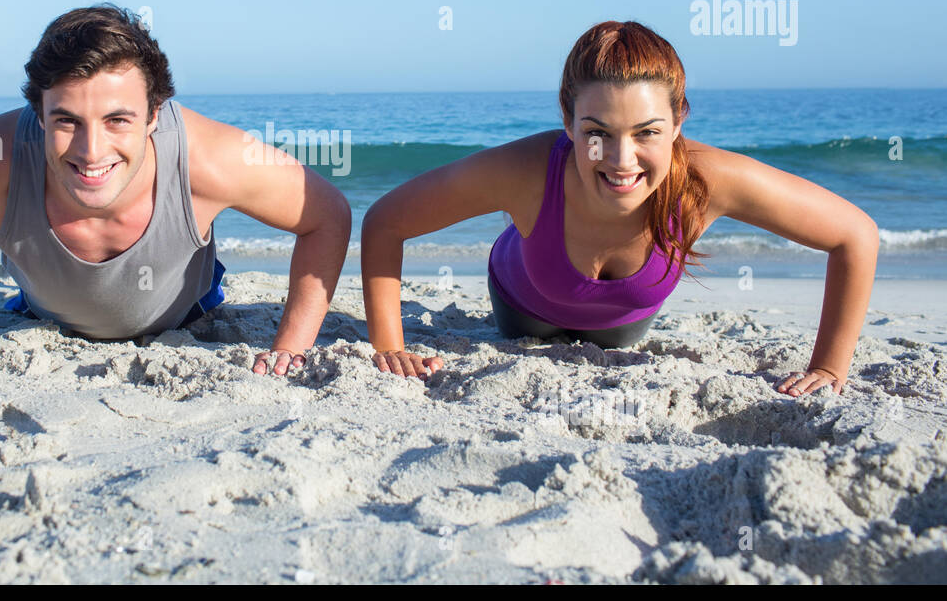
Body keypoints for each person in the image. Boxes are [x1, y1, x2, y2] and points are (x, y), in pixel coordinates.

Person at [360, 21, 879, 397]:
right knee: (531, 321)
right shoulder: (523, 168)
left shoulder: (708, 181)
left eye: (647, 132)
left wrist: (831, 368)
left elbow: (855, 235)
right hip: (523, 307)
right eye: (597, 133)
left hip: (623, 326)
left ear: (679, 121)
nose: (621, 159)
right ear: (568, 119)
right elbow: (387, 221)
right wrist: (390, 345)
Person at [0, 4, 351, 376]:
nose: (90, 149)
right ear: (38, 112)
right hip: (42, 308)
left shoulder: (211, 160)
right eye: (66, 120)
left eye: (117, 119)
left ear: (153, 115)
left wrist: (292, 346)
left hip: (190, 309)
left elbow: (326, 215)